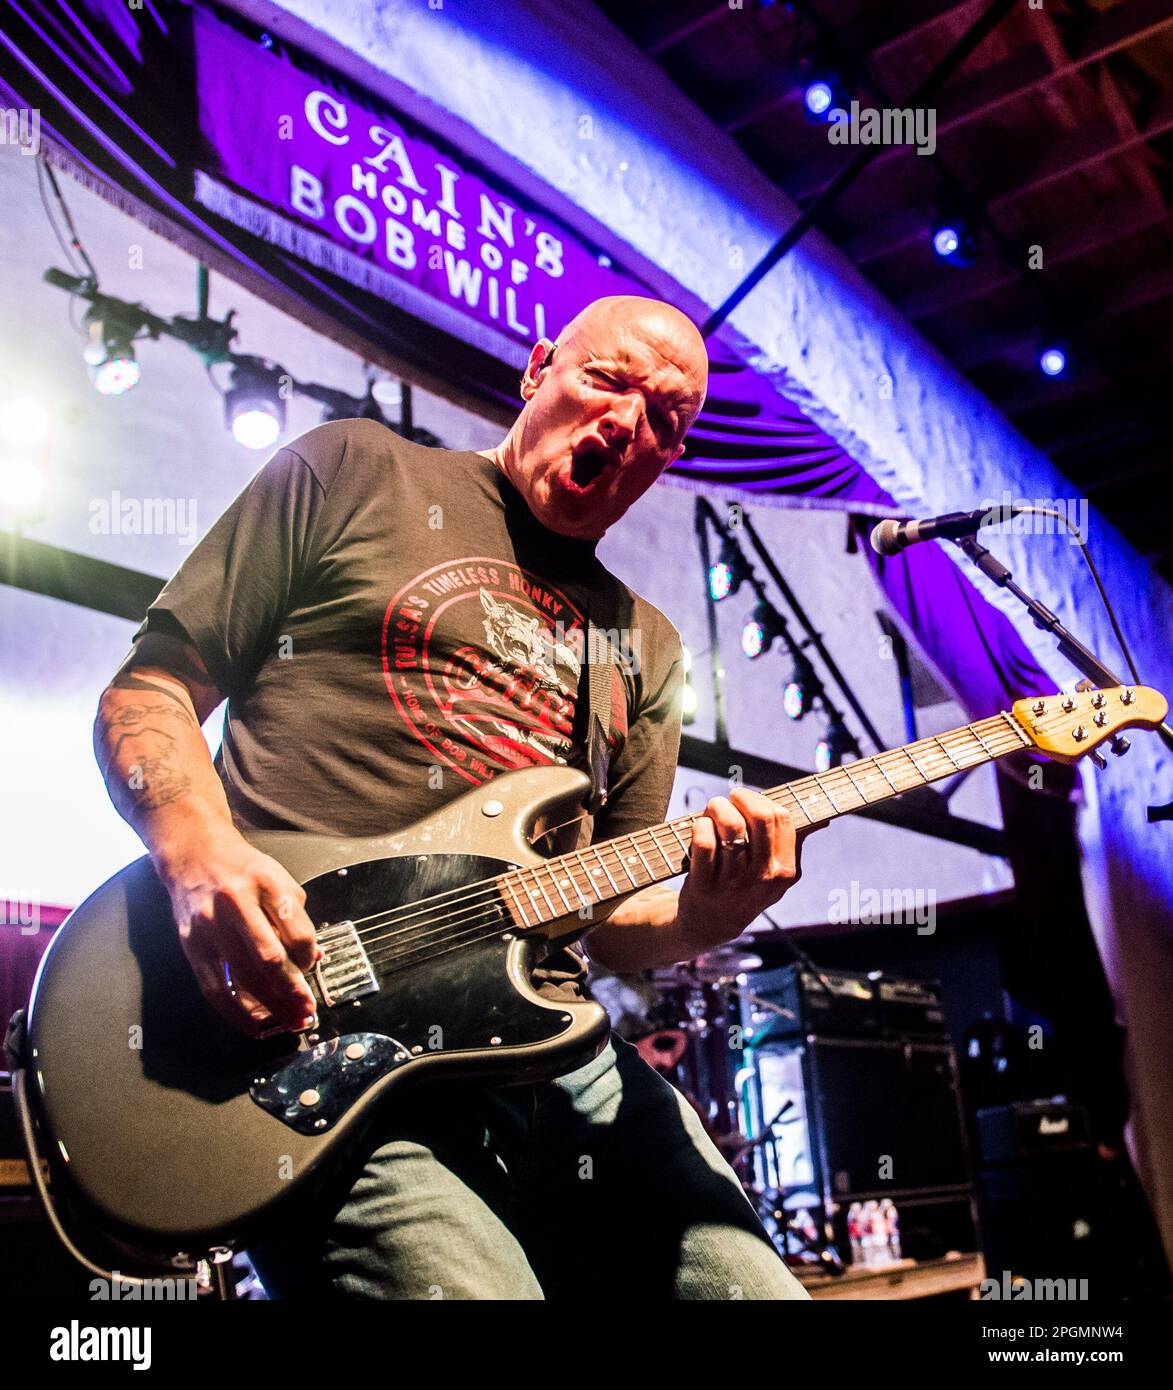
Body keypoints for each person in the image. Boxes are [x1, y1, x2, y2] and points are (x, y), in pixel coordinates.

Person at [94, 295, 811, 1299]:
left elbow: (605, 921)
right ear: (538, 368)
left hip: (552, 1052)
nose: (626, 423)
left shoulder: (642, 643)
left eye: (664, 418)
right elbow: (149, 692)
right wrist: (197, 851)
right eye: (608, 380)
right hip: (314, 1035)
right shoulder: (353, 468)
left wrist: (706, 912)